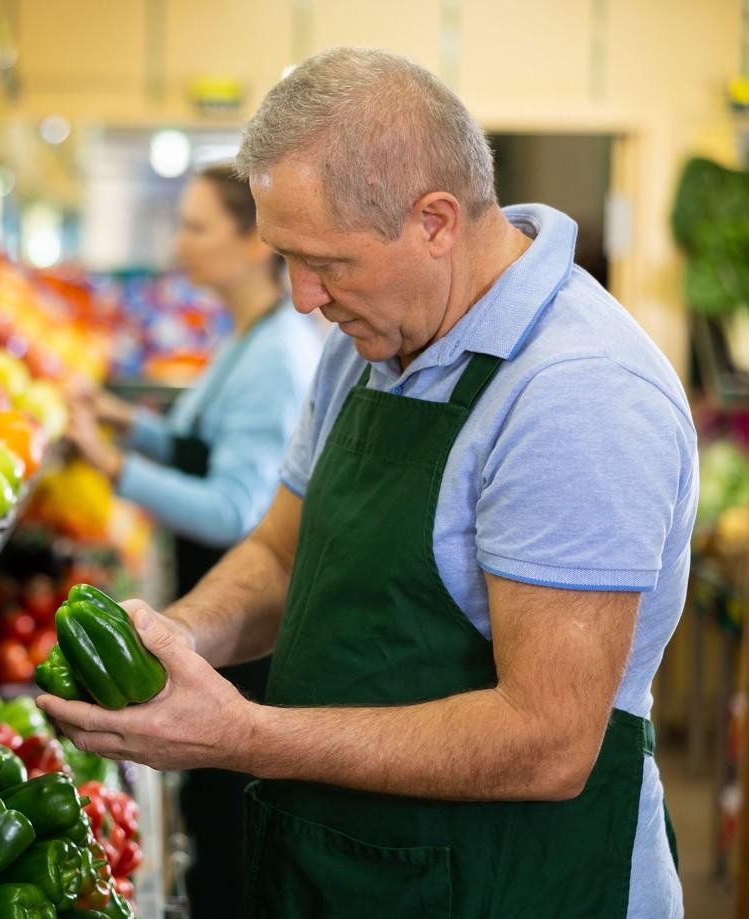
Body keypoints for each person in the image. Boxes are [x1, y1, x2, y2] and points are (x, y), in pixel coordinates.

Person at [39, 47, 692, 919]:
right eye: (285, 260)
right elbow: (279, 553)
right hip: (348, 869)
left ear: (435, 221)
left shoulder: (578, 394)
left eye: (328, 263)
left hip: (515, 884)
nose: (304, 298)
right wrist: (174, 640)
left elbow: (547, 740)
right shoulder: (371, 346)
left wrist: (247, 735)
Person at [66, 163, 322, 916]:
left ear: (255, 242)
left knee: (227, 837)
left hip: (243, 630)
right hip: (222, 612)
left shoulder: (277, 355)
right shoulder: (250, 333)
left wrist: (112, 465)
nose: (179, 243)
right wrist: (122, 419)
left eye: (197, 226)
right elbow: (199, 441)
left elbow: (235, 510)